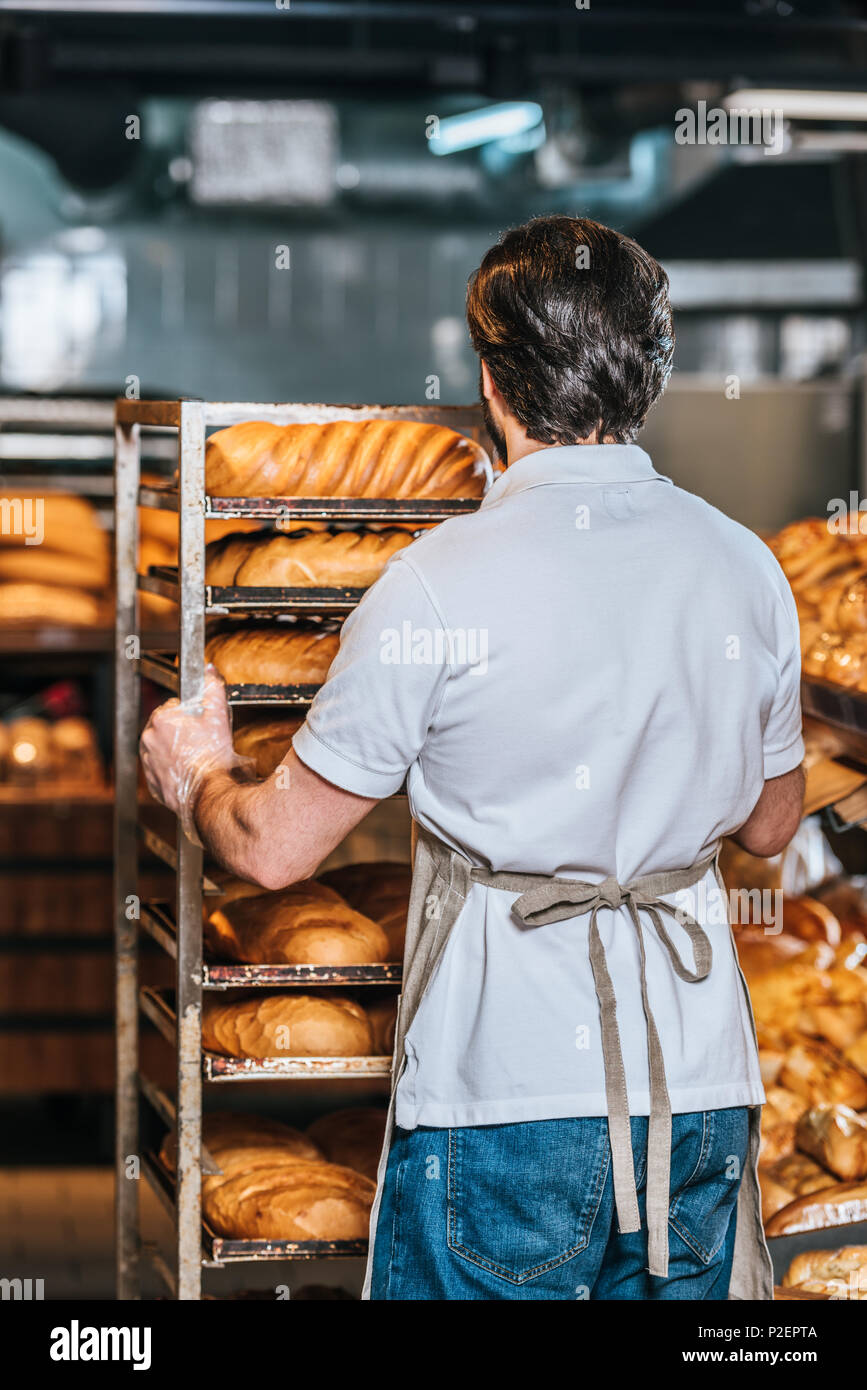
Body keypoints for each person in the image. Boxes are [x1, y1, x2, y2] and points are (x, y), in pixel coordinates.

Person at [140, 215, 805, 1301]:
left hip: (506, 1093)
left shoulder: (435, 585)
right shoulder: (743, 567)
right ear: (649, 375)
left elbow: (272, 852)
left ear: (494, 381)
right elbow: (774, 824)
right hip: (699, 1089)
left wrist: (201, 772)